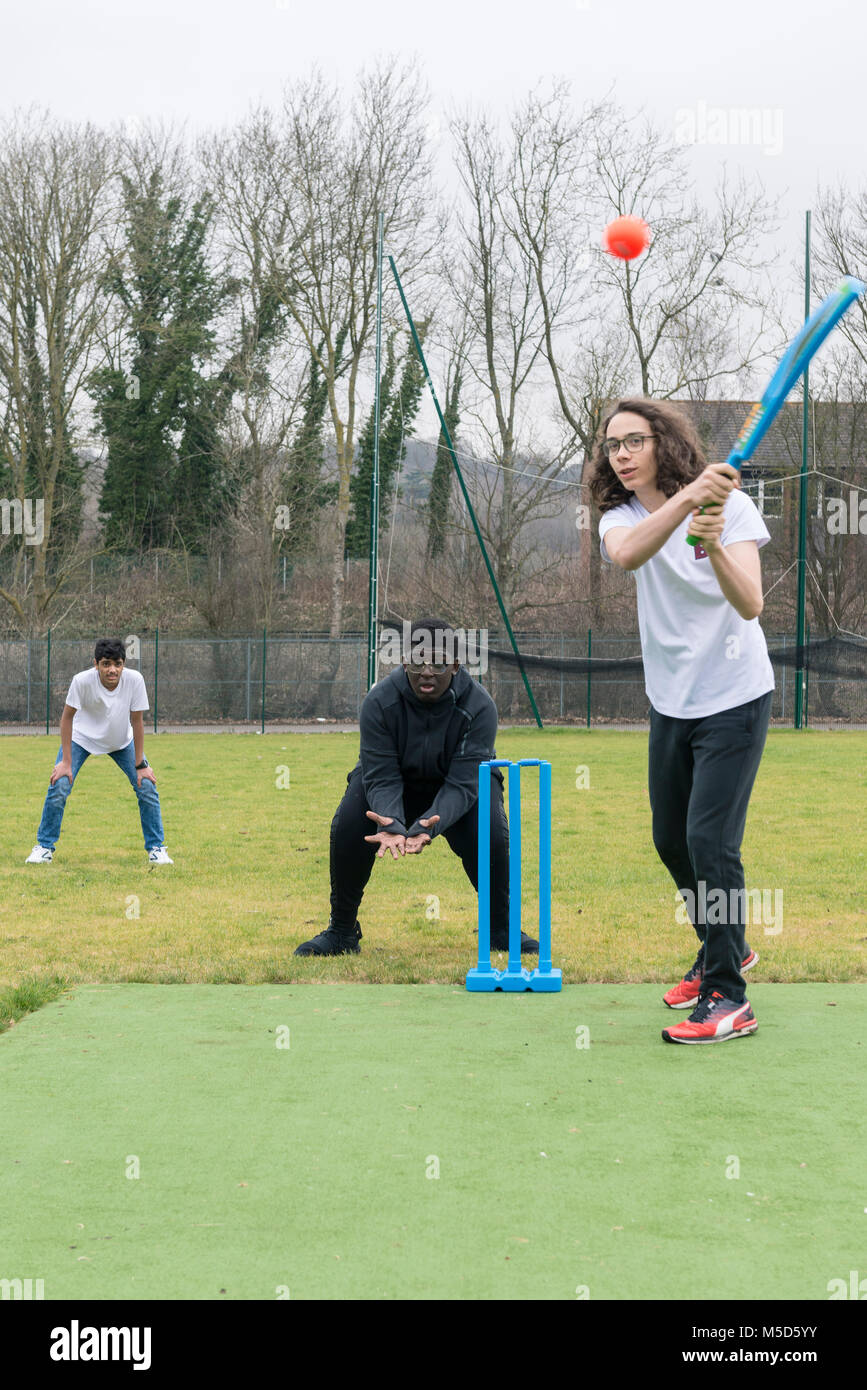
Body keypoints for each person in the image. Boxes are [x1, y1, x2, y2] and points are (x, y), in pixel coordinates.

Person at [591, 398, 774, 1044]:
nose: (620, 452)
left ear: (661, 442)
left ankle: (728, 995)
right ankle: (721, 945)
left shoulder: (735, 511)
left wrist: (713, 542)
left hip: (734, 697)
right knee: (670, 840)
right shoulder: (618, 518)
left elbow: (750, 603)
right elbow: (628, 555)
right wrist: (687, 503)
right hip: (671, 702)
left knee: (709, 843)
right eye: (612, 443)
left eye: (634, 440)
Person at [294, 618, 537, 958]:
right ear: (403, 660)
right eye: (417, 660)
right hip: (393, 780)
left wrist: (429, 825)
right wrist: (391, 823)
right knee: (349, 821)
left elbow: (463, 782)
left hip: (459, 785)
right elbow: (381, 774)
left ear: (455, 664)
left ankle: (501, 929)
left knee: (492, 832)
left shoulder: (480, 706)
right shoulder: (379, 701)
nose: (426, 671)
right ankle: (342, 931)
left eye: (437, 662)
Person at [25, 638, 172, 866]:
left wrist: (141, 764)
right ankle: (44, 847)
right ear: (96, 664)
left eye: (117, 664)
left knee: (147, 786)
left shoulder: (135, 680)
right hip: (82, 739)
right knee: (60, 785)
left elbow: (137, 722)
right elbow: (66, 718)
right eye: (106, 664)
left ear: (123, 664)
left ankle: (156, 849)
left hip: (121, 741)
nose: (112, 670)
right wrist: (65, 761)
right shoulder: (81, 681)